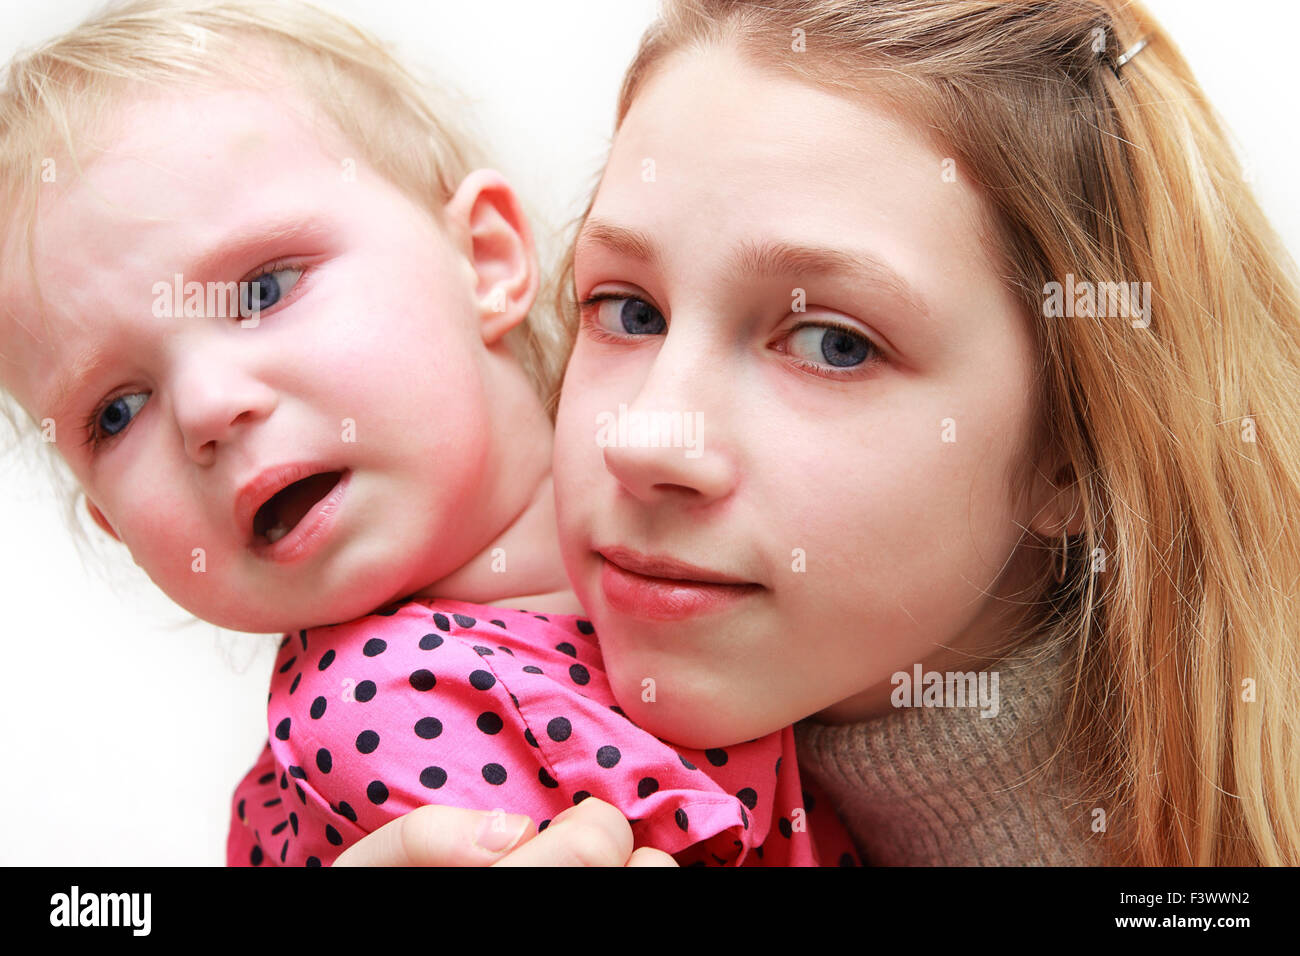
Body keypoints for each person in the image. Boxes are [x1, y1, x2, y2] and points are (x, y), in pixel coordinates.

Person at [344, 0, 1300, 866]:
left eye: (833, 343)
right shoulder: (460, 752)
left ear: (1078, 454)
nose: (642, 441)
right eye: (629, 312)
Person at [0, 0, 858, 867]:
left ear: (484, 262)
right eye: (116, 411)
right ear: (111, 522)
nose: (206, 409)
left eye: (262, 292)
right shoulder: (383, 706)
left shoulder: (720, 490)